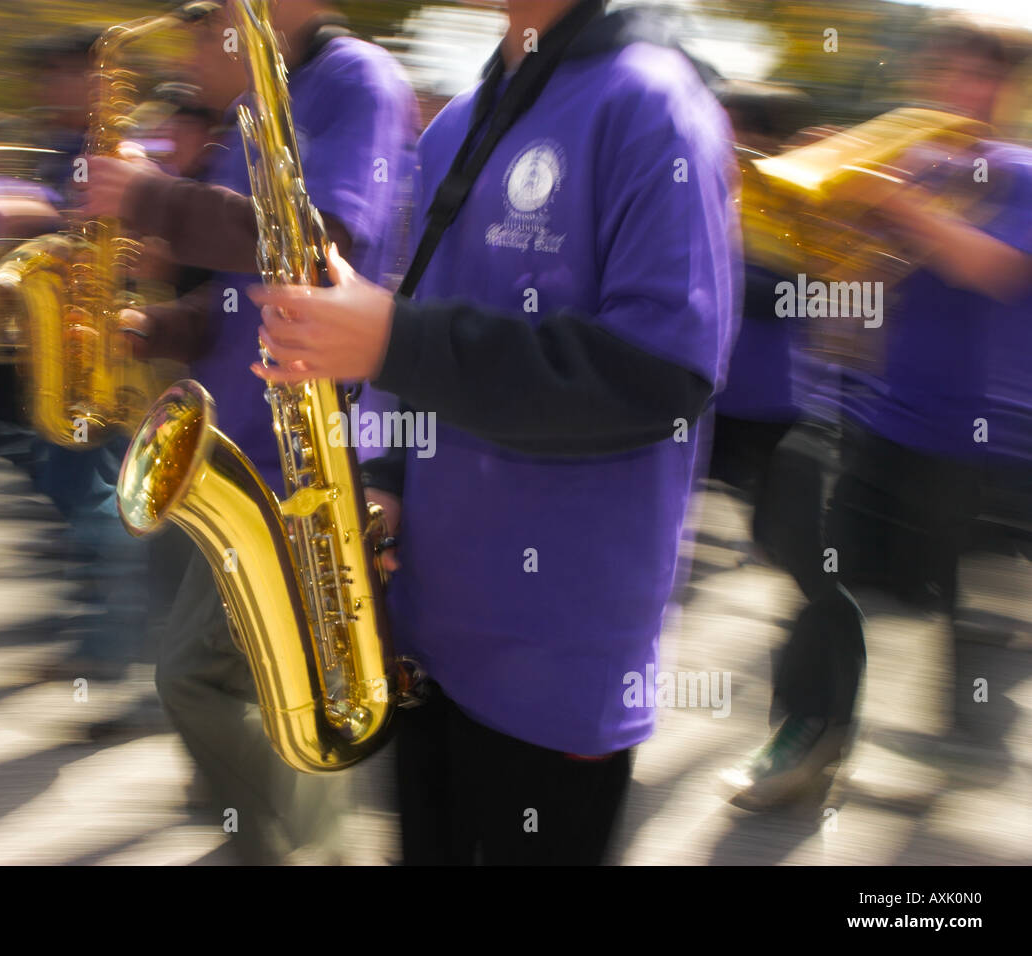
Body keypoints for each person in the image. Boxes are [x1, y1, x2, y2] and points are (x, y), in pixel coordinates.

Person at [248, 0, 738, 864]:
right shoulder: (455, 130)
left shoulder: (655, 103)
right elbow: (428, 350)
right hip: (426, 633)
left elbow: (661, 377)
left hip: (558, 660)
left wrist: (392, 339)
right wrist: (389, 479)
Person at [84, 0, 418, 863]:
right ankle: (301, 841)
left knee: (198, 679)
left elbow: (323, 243)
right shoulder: (257, 108)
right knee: (269, 685)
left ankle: (303, 851)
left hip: (299, 444)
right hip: (240, 440)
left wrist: (152, 197)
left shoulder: (357, 81)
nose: (196, 33)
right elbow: (239, 298)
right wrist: (149, 327)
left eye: (206, 18)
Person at [722, 20, 1032, 810]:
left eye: (978, 76)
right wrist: (833, 220)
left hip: (984, 442)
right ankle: (805, 740)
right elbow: (845, 308)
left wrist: (892, 202)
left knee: (959, 601)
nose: (959, 90)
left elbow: (990, 268)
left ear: (1001, 90)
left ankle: (973, 720)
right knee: (825, 574)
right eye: (948, 71)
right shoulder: (911, 165)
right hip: (880, 418)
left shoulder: (1017, 174)